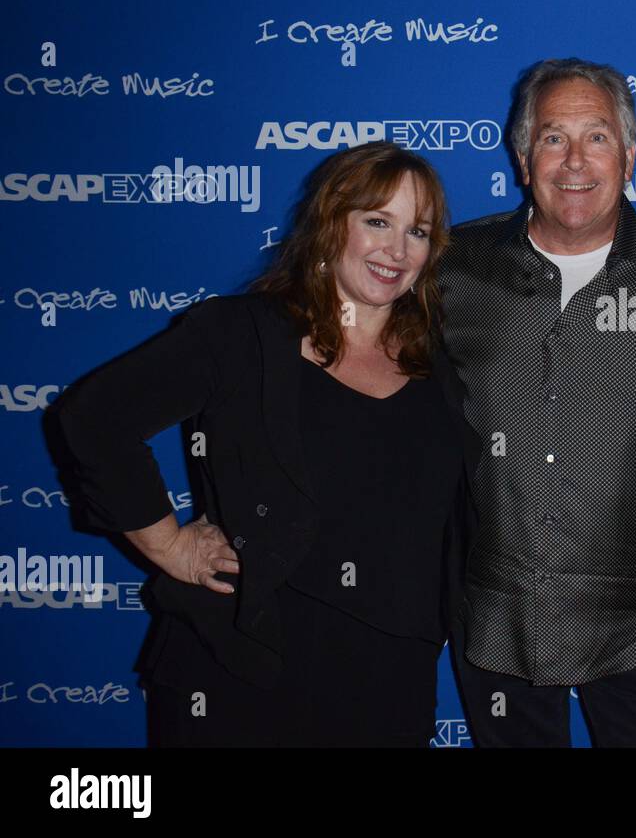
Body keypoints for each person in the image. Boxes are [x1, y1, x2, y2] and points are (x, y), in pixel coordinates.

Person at [53, 142, 478, 747]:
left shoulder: (442, 365)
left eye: (417, 230)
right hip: (241, 663)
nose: (396, 248)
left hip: (387, 680)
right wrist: (169, 545)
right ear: (333, 224)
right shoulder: (239, 333)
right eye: (377, 221)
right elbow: (94, 418)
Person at [440, 58, 636, 747]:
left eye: (596, 137)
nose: (574, 161)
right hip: (497, 620)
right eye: (553, 137)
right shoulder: (450, 269)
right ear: (522, 156)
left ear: (629, 156)